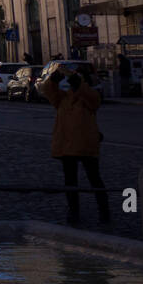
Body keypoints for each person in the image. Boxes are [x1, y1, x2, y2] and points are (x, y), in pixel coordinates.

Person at [42, 64, 108, 224]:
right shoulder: (64, 98)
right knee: (70, 182)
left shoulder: (90, 96)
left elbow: (88, 95)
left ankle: (104, 211)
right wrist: (56, 75)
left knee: (94, 179)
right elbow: (48, 90)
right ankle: (74, 212)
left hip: (86, 144)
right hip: (67, 146)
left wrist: (74, 78)